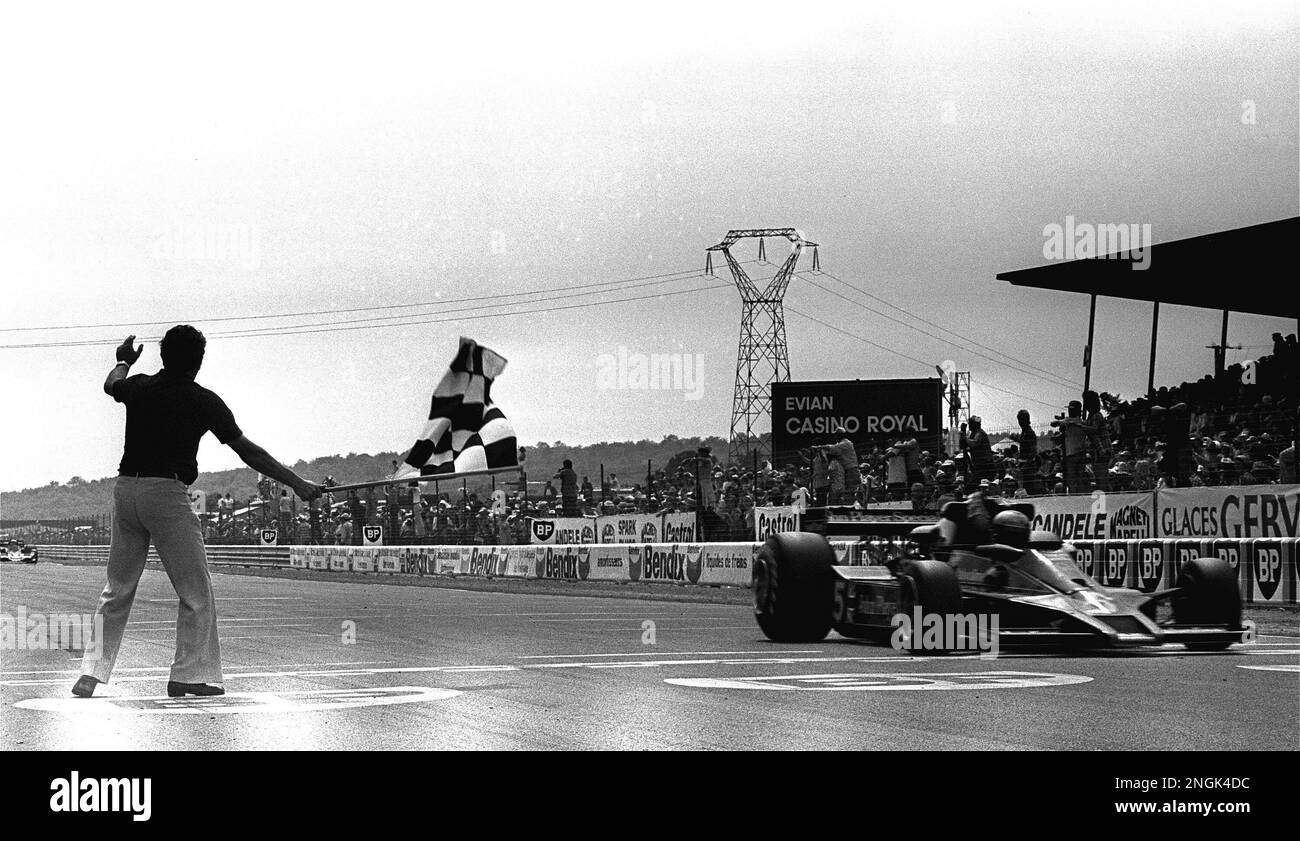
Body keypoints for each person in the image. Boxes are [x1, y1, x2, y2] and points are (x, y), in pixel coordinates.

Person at [73, 328, 321, 699]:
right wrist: (298, 483)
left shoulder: (138, 386)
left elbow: (112, 384)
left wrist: (123, 359)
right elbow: (249, 453)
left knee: (118, 587)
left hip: (126, 489)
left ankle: (90, 674)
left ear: (163, 355)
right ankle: (187, 675)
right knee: (195, 590)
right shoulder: (204, 401)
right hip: (167, 493)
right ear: (199, 360)